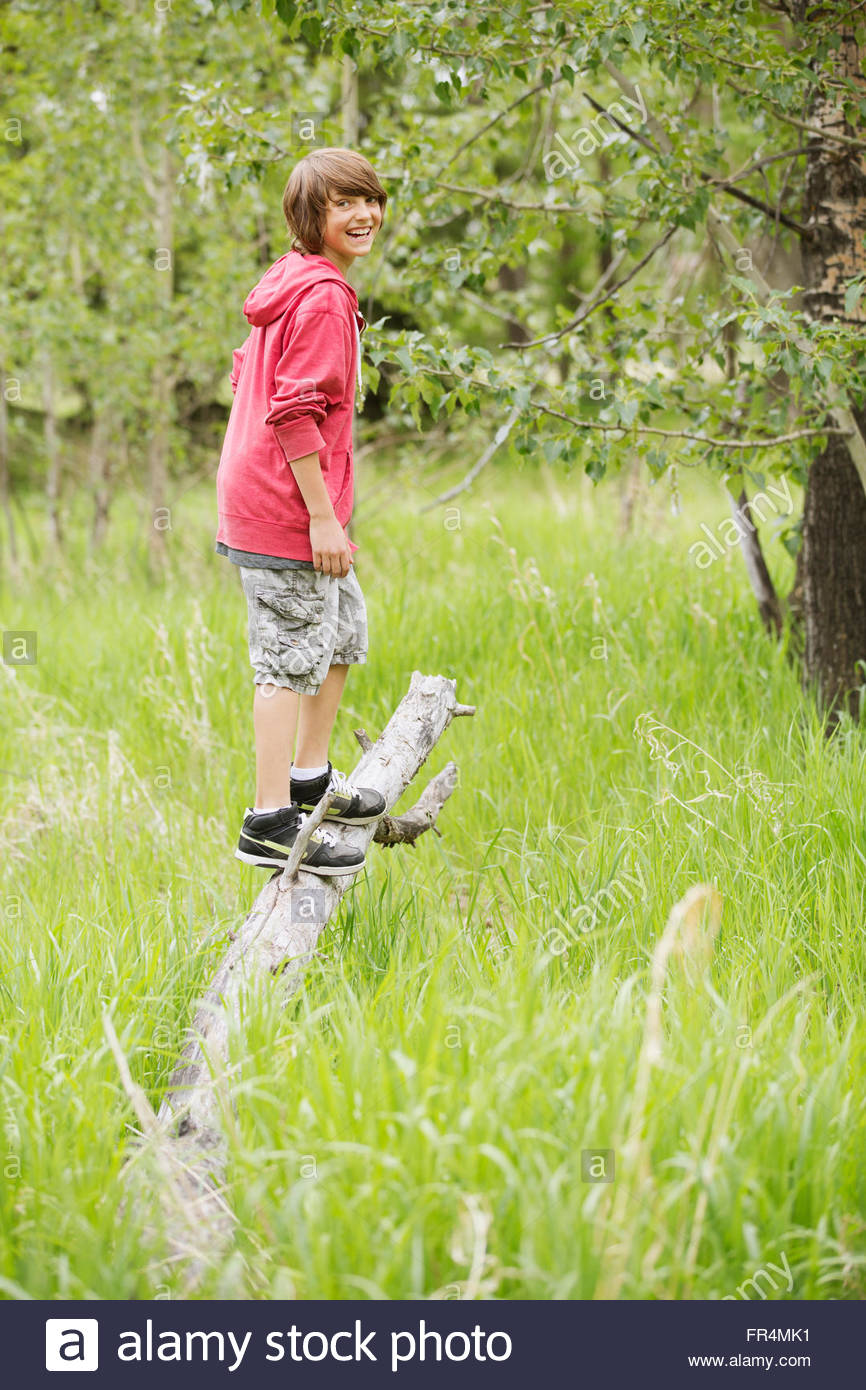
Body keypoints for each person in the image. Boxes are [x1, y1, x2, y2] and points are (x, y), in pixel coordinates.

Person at [214, 147, 388, 876]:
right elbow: (292, 413)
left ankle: (311, 779)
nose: (363, 214)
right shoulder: (319, 295)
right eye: (342, 203)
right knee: (287, 659)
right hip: (287, 510)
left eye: (370, 200)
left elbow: (247, 372)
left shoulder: (301, 283)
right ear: (309, 217)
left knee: (342, 631)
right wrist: (319, 516)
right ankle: (269, 820)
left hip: (289, 500)